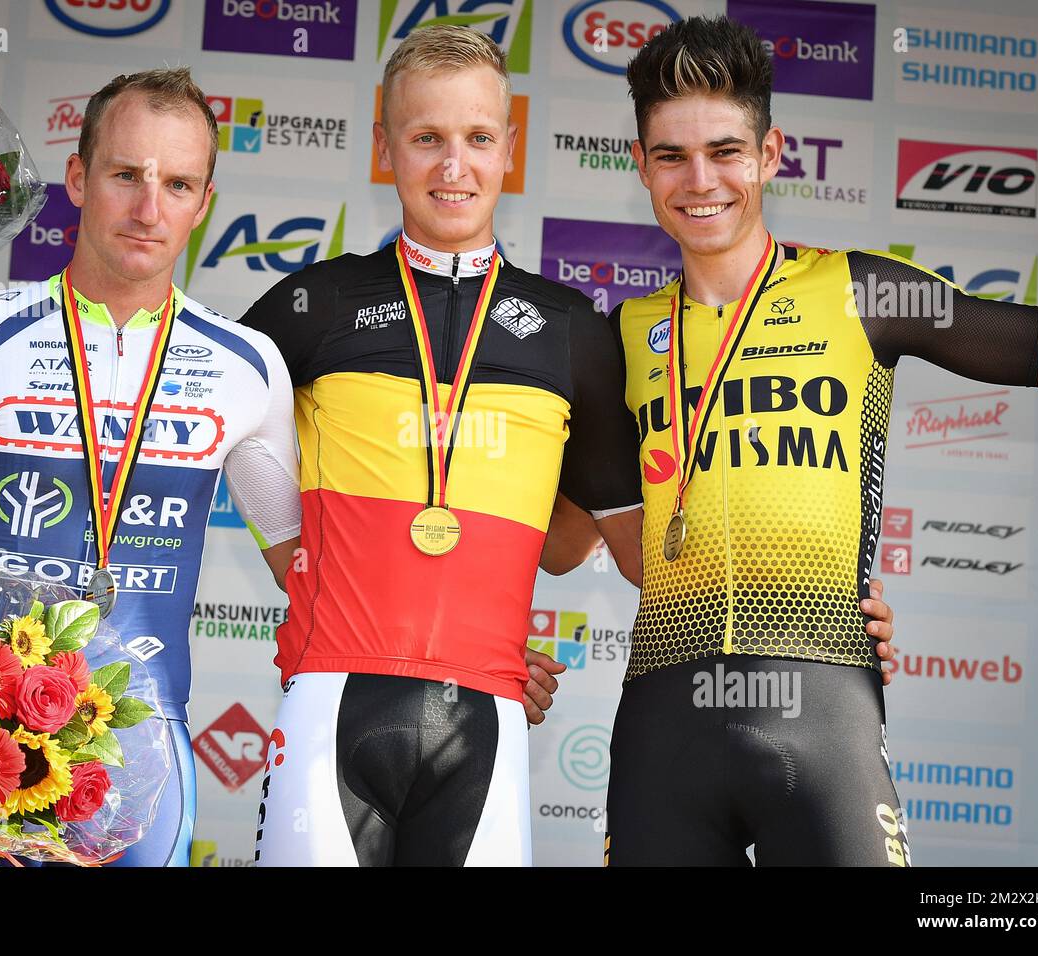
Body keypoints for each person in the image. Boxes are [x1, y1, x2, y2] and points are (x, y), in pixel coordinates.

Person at [238, 26, 896, 866]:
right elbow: (208, 426)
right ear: (383, 147)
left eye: (478, 139)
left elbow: (638, 549)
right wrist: (300, 562)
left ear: (510, 148)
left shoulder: (573, 330)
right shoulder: (315, 301)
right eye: (425, 138)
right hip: (330, 697)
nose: (453, 166)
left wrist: (824, 611)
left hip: (490, 714)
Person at [573, 15, 1038, 866]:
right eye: (670, 155)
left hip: (824, 709)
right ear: (640, 165)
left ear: (773, 152)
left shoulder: (864, 293)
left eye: (726, 151)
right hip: (662, 727)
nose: (699, 179)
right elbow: (595, 545)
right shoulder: (615, 339)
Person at [0, 67, 303, 866]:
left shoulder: (247, 367)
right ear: (77, 177)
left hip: (142, 763)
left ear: (204, 202)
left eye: (177, 183)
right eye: (126, 174)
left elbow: (305, 571)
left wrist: (476, 646)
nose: (147, 207)